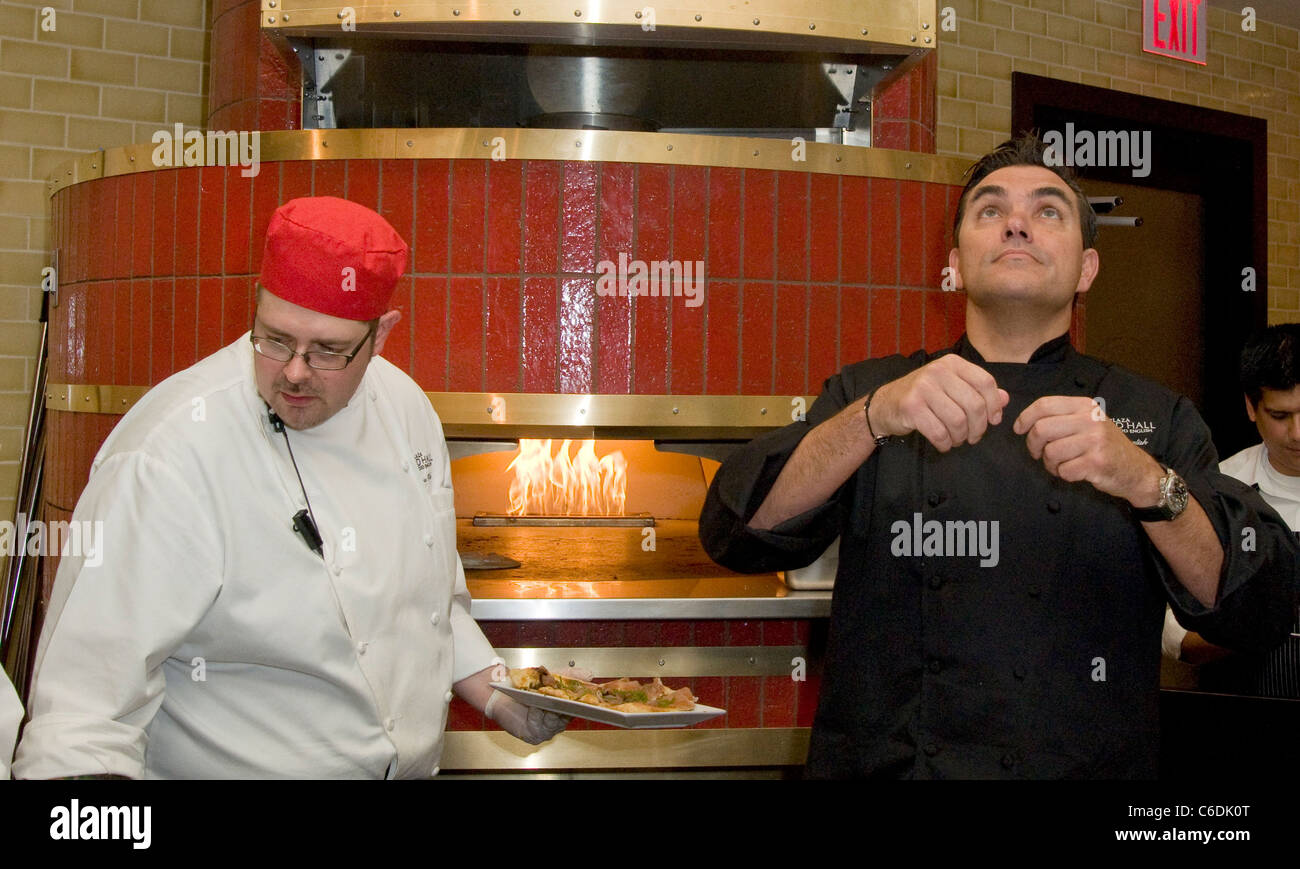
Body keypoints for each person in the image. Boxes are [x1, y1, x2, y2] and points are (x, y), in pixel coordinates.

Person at [700, 135, 1298, 779]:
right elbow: (738, 533)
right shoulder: (871, 394)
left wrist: (1148, 482)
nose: (1016, 222)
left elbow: (1254, 610)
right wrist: (873, 419)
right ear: (954, 262)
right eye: (990, 210)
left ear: (1087, 268)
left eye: (1048, 211)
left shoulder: (1156, 417)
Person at [14, 196, 563, 779]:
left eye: (327, 350)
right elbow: (82, 715)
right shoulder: (171, 452)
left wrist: (500, 695)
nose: (295, 372)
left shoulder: (406, 409)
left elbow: (426, 601)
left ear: (380, 337)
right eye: (274, 339)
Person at [1164, 324, 1300, 696]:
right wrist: (1259, 624)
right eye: (1280, 415)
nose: (1298, 432)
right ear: (1250, 408)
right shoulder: (1217, 492)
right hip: (1251, 723)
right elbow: (1176, 640)